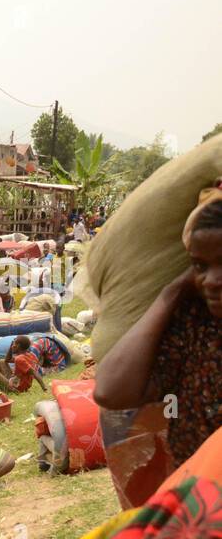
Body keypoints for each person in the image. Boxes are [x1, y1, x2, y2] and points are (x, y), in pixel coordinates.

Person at [95, 192, 222, 469]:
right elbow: (110, 391)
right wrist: (170, 293)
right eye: (200, 266)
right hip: (198, 496)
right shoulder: (194, 325)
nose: (212, 281)